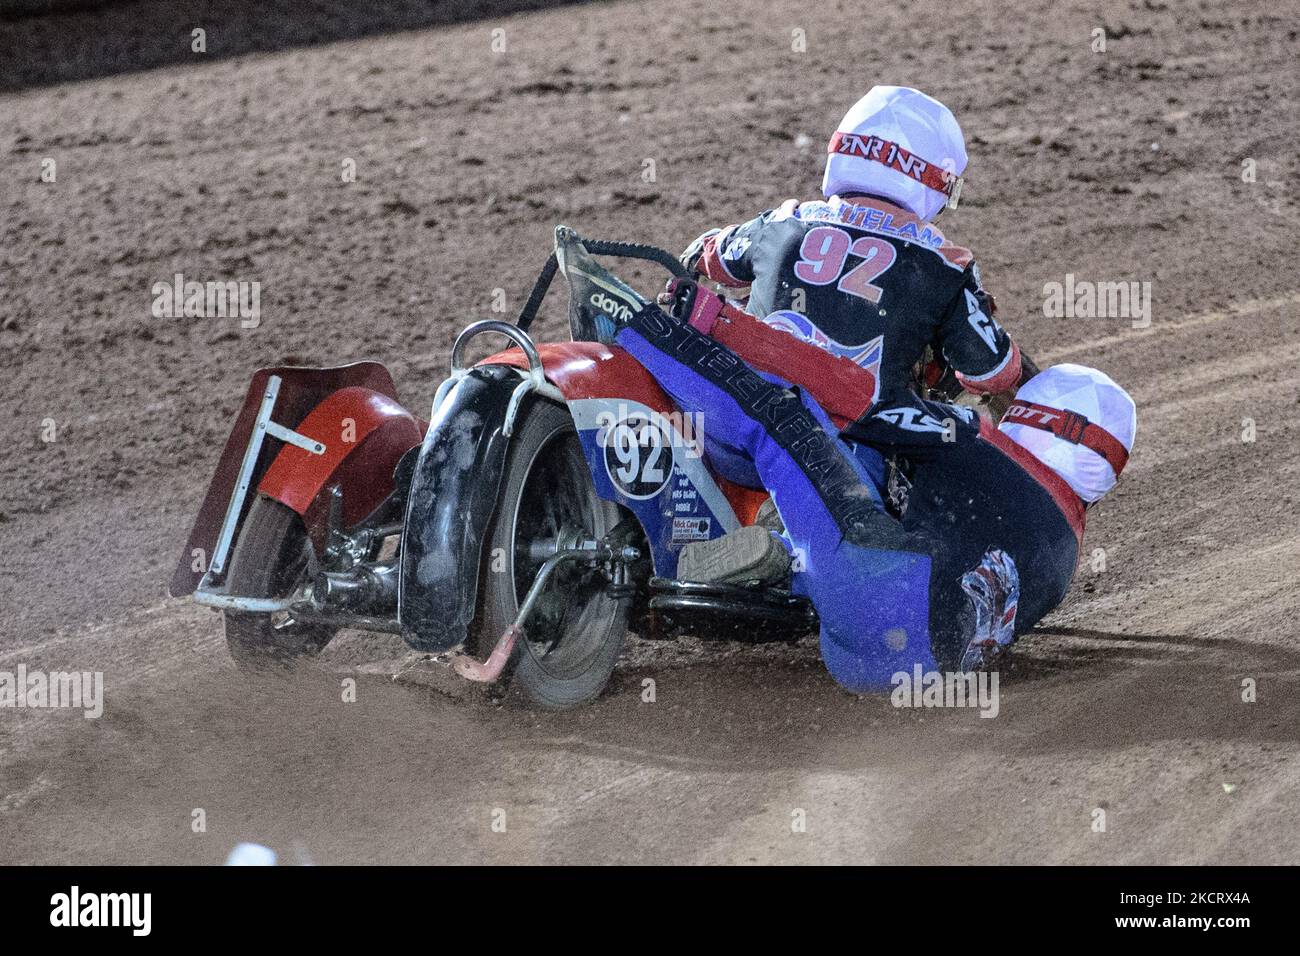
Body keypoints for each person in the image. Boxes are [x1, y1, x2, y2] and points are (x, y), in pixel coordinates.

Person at [558, 244, 1136, 688]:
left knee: (787, 420)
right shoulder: (1064, 554)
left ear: (1047, 420)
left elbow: (851, 395)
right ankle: (785, 556)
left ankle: (639, 328)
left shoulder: (975, 439)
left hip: (874, 597)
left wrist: (721, 322)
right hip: (905, 667)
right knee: (862, 494)